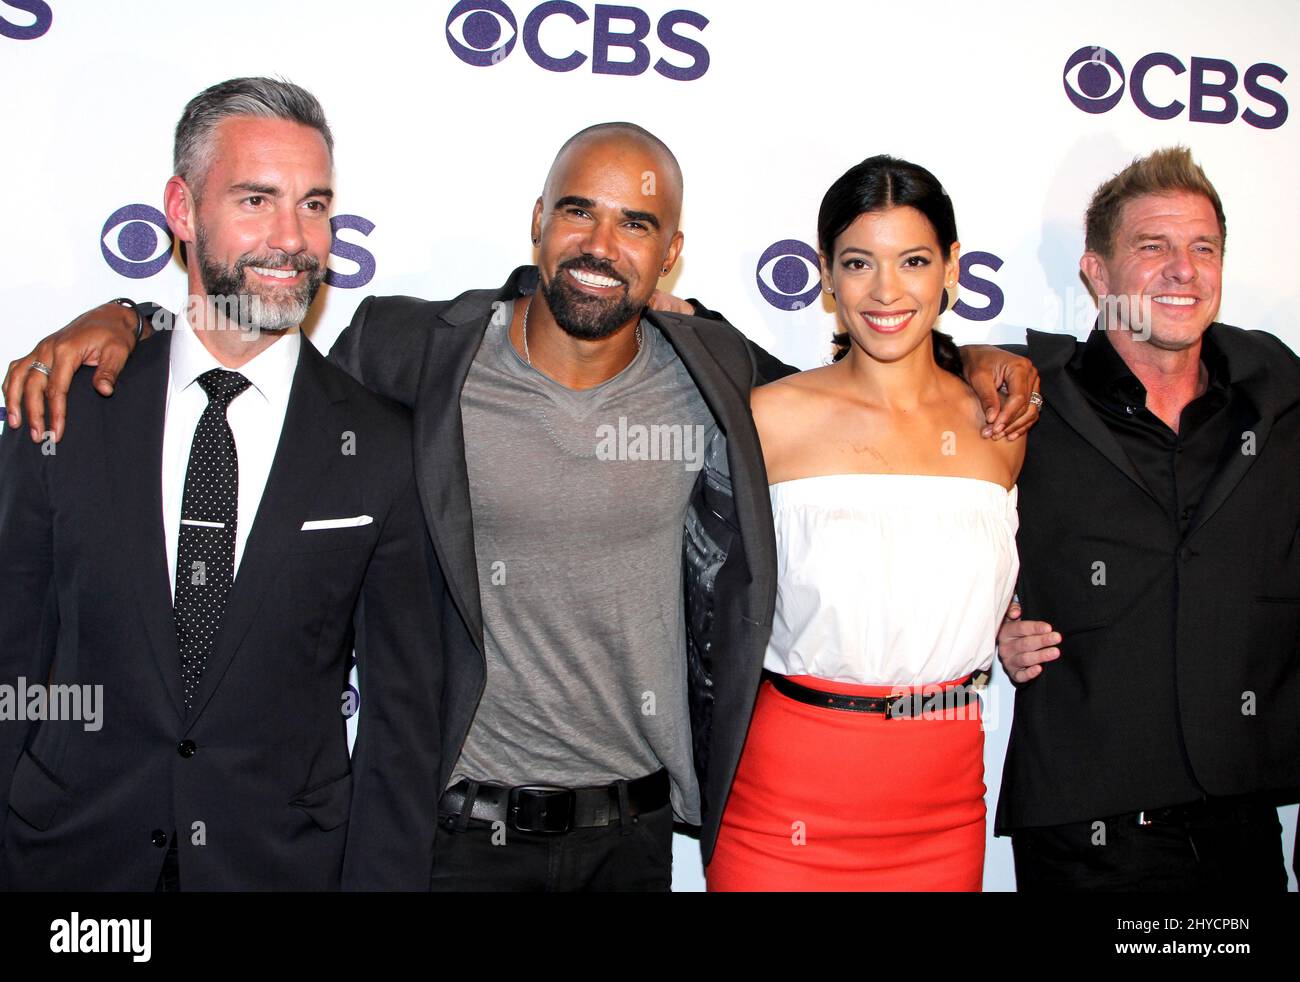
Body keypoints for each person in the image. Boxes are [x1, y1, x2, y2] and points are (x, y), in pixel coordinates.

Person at [2, 123, 1040, 891]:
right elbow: (258, 363)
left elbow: (873, 378)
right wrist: (131, 320)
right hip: (452, 836)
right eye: (579, 210)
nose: (603, 239)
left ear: (668, 254)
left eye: (637, 222)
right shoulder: (415, 352)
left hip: (632, 841)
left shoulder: (716, 374)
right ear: (539, 224)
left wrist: (974, 354)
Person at [0, 78, 443, 891]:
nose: (291, 239)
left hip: (279, 868)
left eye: (314, 205)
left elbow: (401, 728)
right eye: (255, 200)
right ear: (181, 209)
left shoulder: (381, 445)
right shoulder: (66, 403)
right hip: (69, 862)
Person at [707, 156, 1024, 891]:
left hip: (944, 803)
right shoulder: (767, 417)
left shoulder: (1002, 421)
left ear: (952, 269)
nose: (886, 291)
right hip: (782, 803)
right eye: (858, 263)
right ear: (825, 275)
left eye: (913, 261)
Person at [995, 146, 1300, 891]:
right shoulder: (1025, 397)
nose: (1182, 269)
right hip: (1087, 829)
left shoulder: (1275, 386)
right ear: (1097, 273)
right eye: (1152, 246)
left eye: (1203, 248)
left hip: (1243, 818)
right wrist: (987, 617)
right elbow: (867, 400)